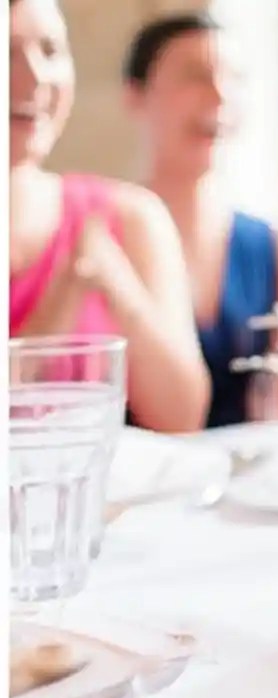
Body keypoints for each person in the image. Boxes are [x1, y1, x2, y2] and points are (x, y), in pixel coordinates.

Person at [9, 0, 210, 432]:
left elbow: (182, 419)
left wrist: (114, 282)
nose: (35, 77)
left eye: (50, 51)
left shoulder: (131, 219)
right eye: (5, 52)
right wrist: (61, 301)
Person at [124, 13, 278, 427]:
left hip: (244, 482)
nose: (220, 93)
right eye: (195, 75)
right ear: (135, 95)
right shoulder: (102, 239)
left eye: (234, 77)